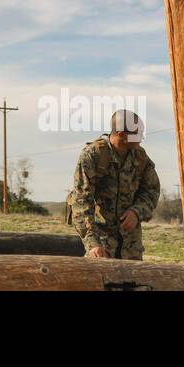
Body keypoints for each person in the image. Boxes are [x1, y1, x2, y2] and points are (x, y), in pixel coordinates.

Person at [68, 110, 161, 259]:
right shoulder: (93, 155)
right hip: (101, 243)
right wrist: (92, 244)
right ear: (121, 134)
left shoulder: (141, 158)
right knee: (97, 281)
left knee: (135, 282)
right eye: (137, 133)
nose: (142, 138)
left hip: (131, 245)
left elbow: (152, 191)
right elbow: (81, 202)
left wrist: (137, 212)